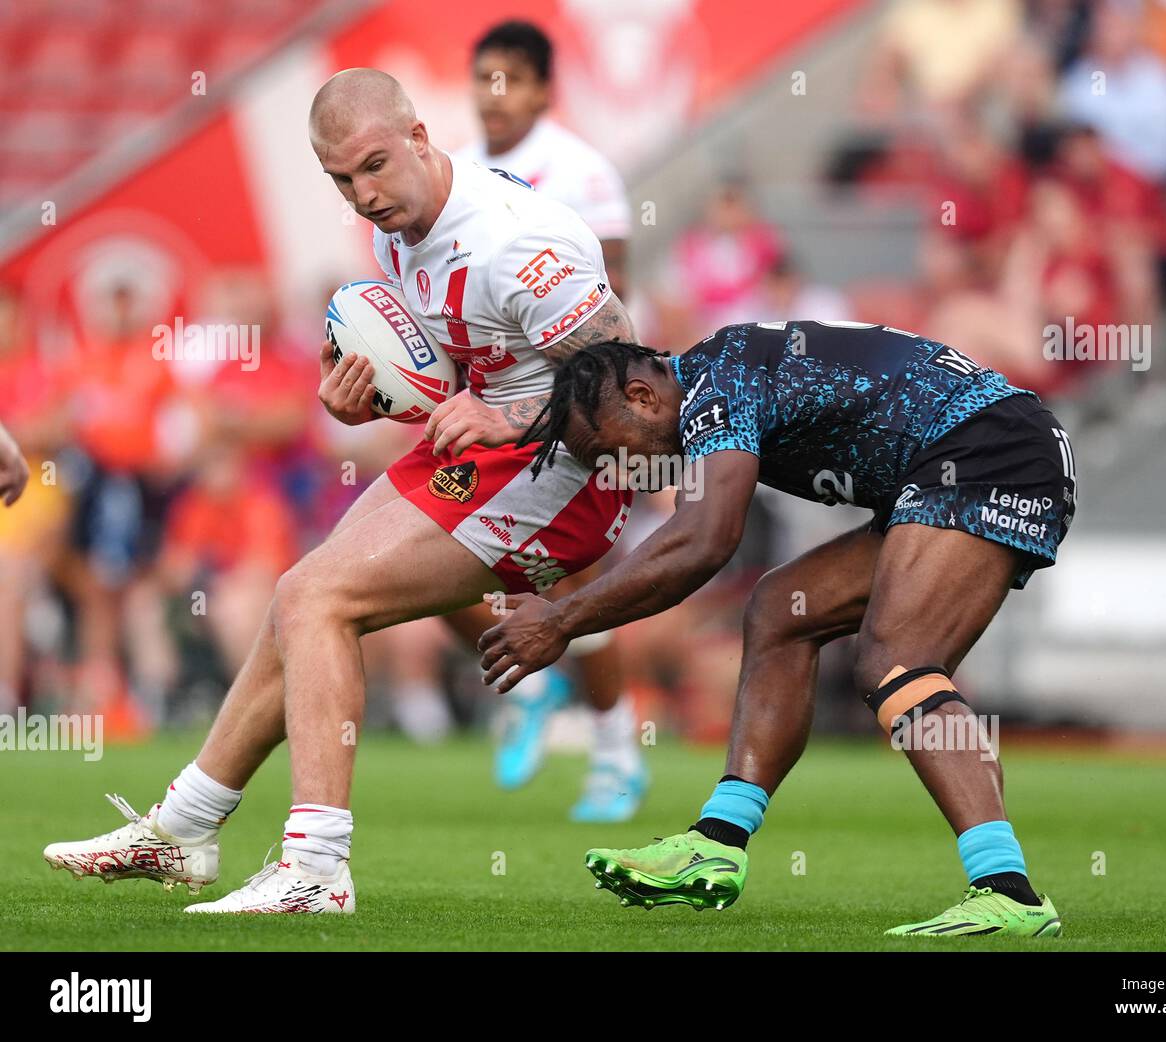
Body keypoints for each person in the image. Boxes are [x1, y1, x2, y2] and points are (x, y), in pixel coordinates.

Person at [41, 68, 636, 914]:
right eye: (341, 179)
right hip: (493, 451)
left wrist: (513, 420)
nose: (364, 194)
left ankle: (316, 868)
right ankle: (182, 830)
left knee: (320, 597)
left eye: (375, 166)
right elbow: (446, 367)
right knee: (298, 597)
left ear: (421, 137)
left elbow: (633, 387)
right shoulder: (396, 233)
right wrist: (364, 397)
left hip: (567, 474)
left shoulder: (514, 240)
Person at [479, 320, 1077, 937]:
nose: (623, 473)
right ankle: (718, 839)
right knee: (783, 609)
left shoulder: (715, 379)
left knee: (896, 662)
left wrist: (560, 621)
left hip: (989, 450)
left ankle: (1008, 891)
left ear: (641, 396)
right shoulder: (717, 379)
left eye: (613, 453)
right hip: (966, 457)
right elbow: (695, 533)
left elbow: (705, 541)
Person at [451, 19, 646, 818]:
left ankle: (614, 753)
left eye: (508, 80)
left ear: (541, 88)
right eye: (481, 79)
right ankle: (531, 683)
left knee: (580, 586)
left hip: (576, 408)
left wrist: (608, 418)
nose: (492, 98)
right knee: (432, 567)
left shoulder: (580, 171)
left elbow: (611, 306)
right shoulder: (457, 174)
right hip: (480, 402)